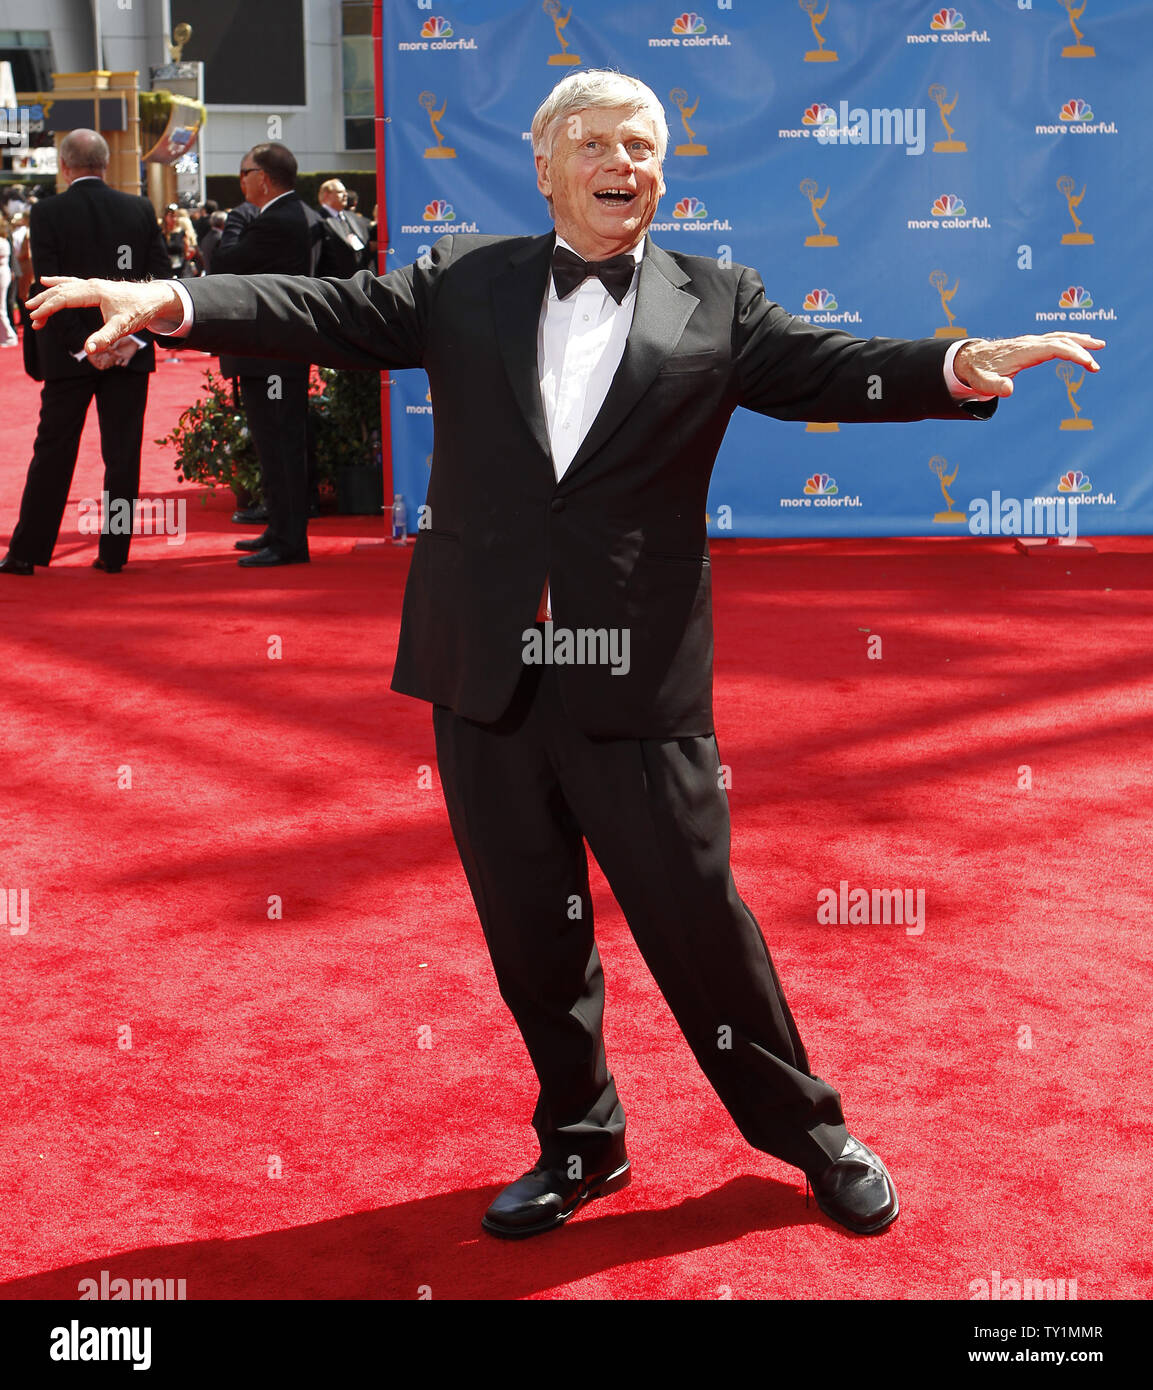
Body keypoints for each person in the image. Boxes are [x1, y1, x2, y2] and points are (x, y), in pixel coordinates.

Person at [26, 73, 1104, 1235]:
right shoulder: (464, 282)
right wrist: (174, 299)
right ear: (545, 166)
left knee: (699, 926)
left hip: (636, 681)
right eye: (593, 141)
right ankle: (582, 1142)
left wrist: (957, 367)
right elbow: (314, 310)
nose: (621, 161)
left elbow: (832, 368)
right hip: (484, 671)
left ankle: (809, 1131)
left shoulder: (716, 298)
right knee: (533, 933)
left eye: (642, 145)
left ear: (661, 169)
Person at [0, 129, 171, 576]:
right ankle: (114, 555)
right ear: (106, 163)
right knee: (123, 456)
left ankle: (26, 553)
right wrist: (129, 339)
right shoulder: (139, 208)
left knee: (53, 453)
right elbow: (163, 281)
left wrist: (84, 344)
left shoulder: (49, 211)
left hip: (69, 357)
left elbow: (48, 286)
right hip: (129, 354)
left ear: (64, 166)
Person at [206, 142, 331, 566]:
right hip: (276, 352)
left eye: (244, 173)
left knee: (281, 447)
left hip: (275, 353)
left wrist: (236, 221)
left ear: (263, 177)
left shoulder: (277, 220)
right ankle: (280, 530)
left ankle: (289, 541)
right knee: (275, 446)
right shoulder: (292, 215)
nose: (240, 182)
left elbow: (224, 262)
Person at [317, 178, 369, 275]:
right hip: (333, 280)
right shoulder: (318, 219)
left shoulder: (352, 218)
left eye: (345, 192)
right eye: (340, 192)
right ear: (326, 195)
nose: (346, 195)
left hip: (357, 278)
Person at [161, 204, 202, 279]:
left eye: (175, 216)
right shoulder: (160, 234)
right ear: (165, 217)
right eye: (171, 216)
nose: (174, 219)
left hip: (181, 269)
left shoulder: (182, 233)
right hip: (165, 269)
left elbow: (187, 252)